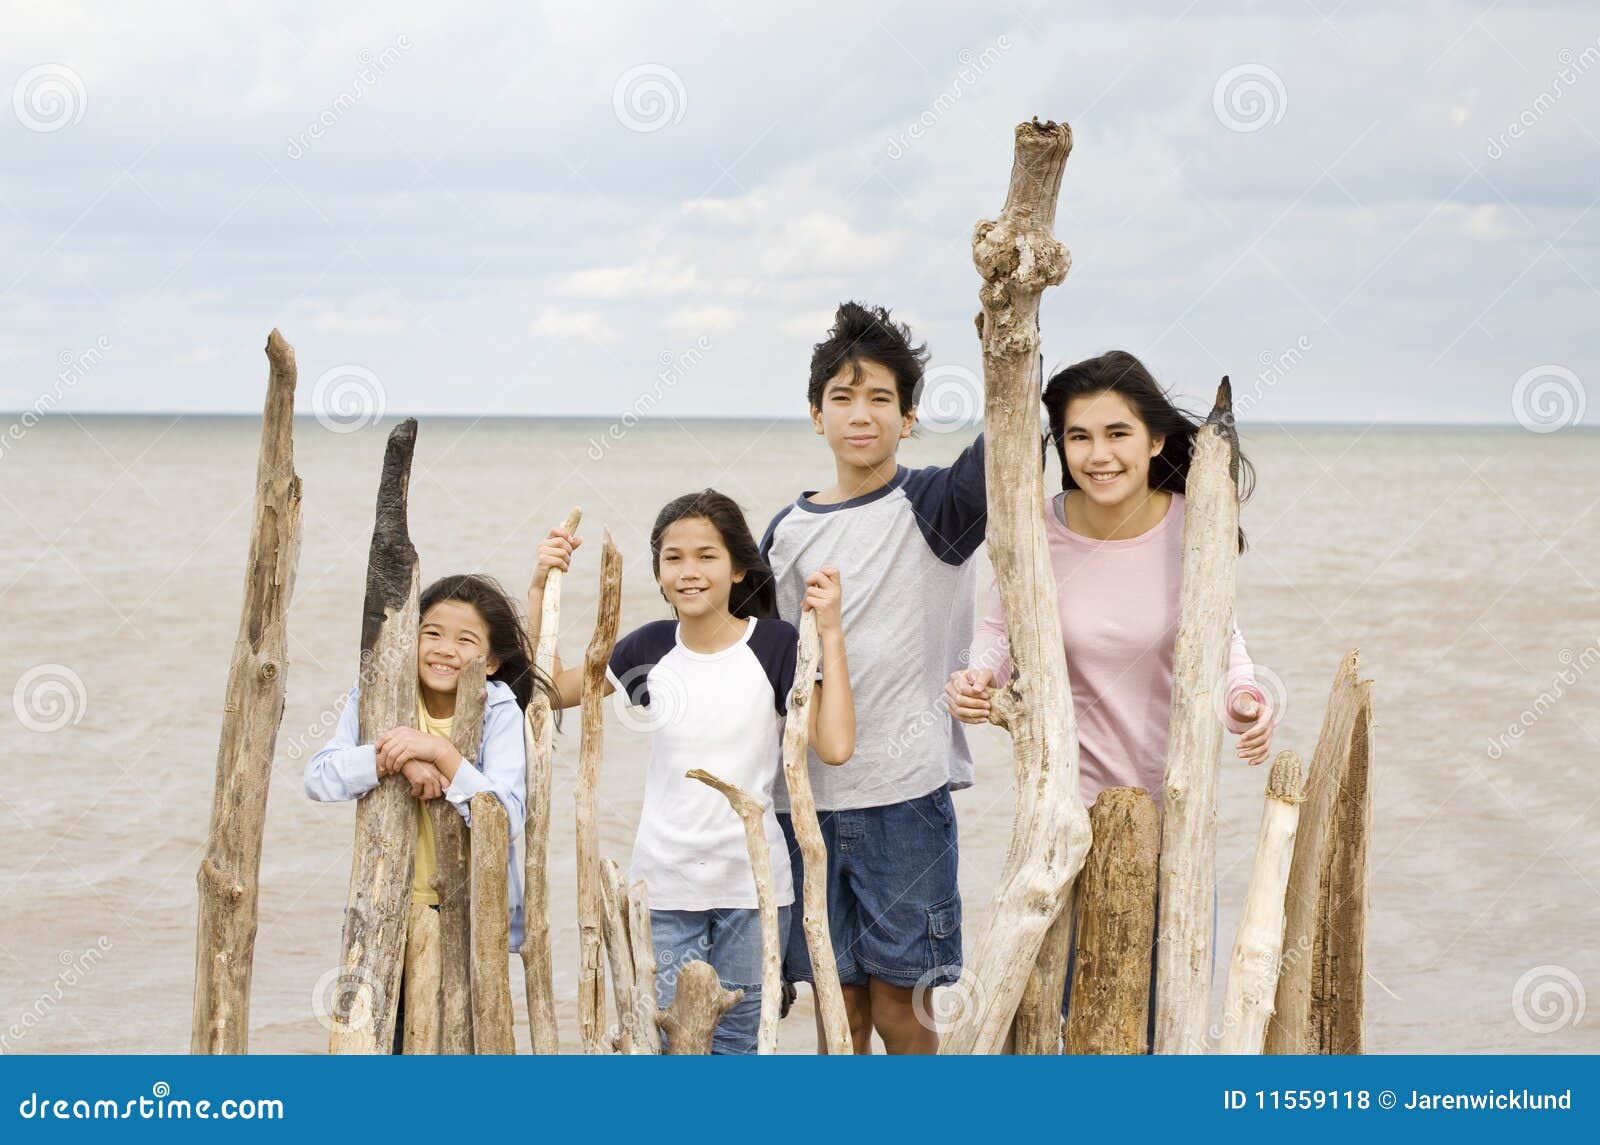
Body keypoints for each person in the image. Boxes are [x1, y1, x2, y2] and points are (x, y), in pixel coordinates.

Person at [945, 350, 1274, 1044]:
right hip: (1064, 828)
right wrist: (975, 677)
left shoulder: (1196, 521)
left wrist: (1245, 697)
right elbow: (1002, 626)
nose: (1098, 454)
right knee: (1052, 1031)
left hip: (1172, 827)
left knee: (1164, 1032)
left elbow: (1222, 637)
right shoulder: (1036, 527)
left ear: (1156, 439)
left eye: (1118, 433)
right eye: (1078, 436)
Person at [531, 489, 854, 1054]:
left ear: (737, 568)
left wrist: (830, 633)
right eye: (673, 558)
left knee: (740, 1047)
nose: (689, 571)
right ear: (657, 573)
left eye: (706, 556)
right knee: (663, 1046)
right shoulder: (649, 649)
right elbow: (553, 691)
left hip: (754, 888)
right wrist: (541, 587)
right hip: (663, 885)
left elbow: (835, 745)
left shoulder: (775, 645)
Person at [761, 301, 986, 1053]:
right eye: (843, 398)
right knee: (838, 1009)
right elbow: (752, 654)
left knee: (901, 1010)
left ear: (910, 416)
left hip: (905, 801)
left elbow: (1016, 441)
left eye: (881, 398)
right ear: (815, 414)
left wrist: (1009, 326)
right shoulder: (784, 532)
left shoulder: (937, 504)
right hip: (805, 805)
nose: (862, 415)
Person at [304, 573, 544, 1052]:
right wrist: (392, 757)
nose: (445, 649)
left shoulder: (499, 708)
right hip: (388, 905)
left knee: (462, 1042)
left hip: (468, 912)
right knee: (384, 1042)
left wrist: (441, 754)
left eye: (466, 639)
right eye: (431, 633)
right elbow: (318, 777)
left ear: (492, 661)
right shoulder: (378, 695)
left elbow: (507, 817)